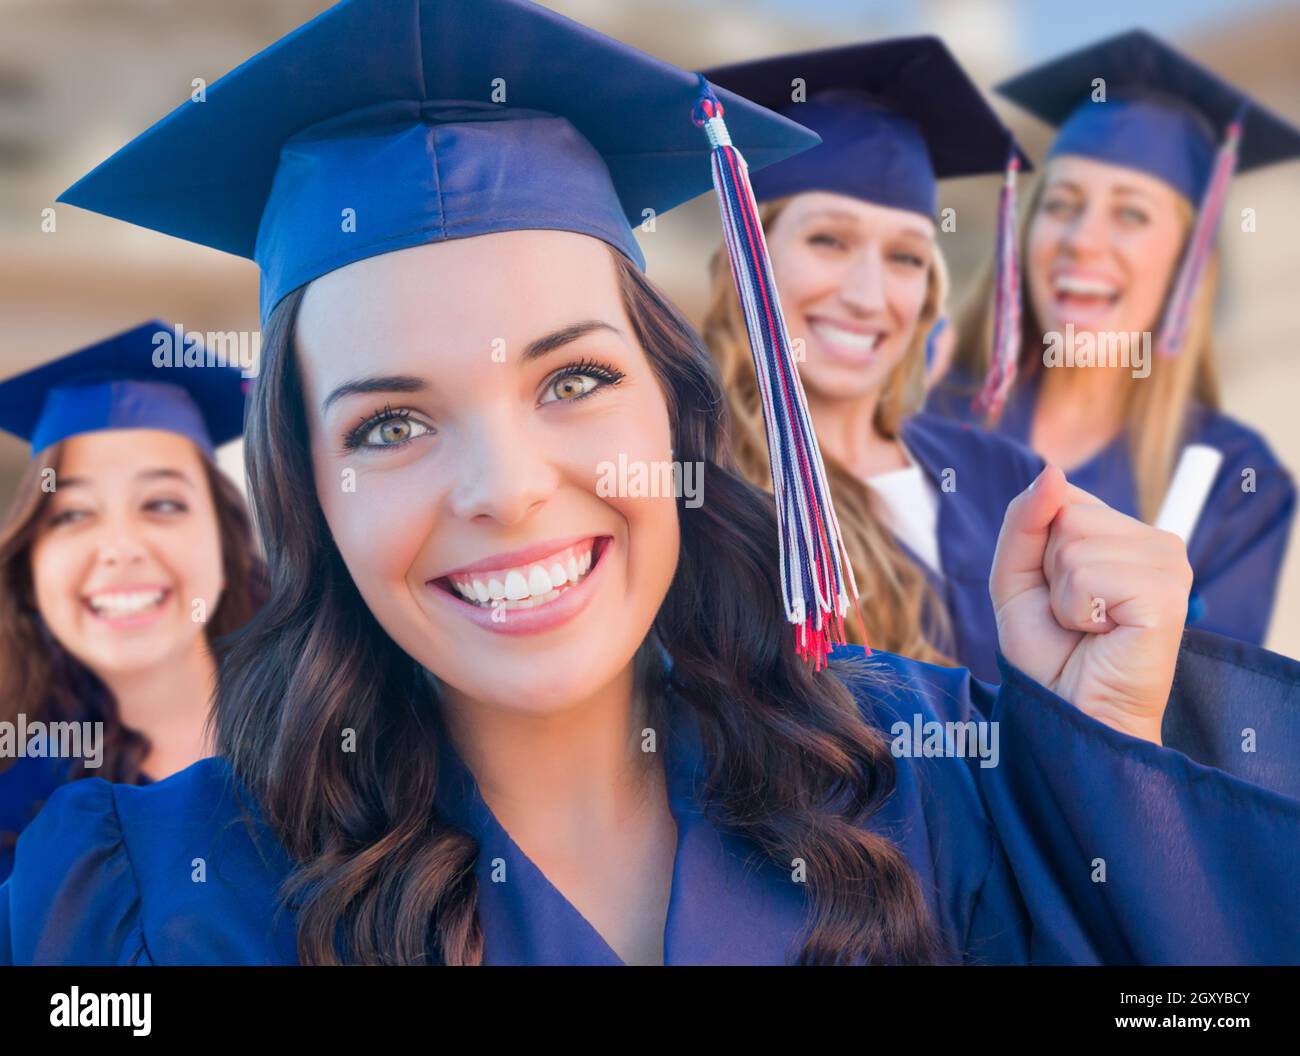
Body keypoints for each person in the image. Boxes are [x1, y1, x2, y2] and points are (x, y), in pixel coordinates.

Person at [3, 0, 1299, 966]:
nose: (508, 489)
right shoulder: (151, 902)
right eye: (391, 423)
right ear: (306, 496)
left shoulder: (926, 777)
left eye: (572, 381)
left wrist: (1107, 771)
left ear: (679, 413)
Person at [927, 30, 1299, 646]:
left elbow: (1200, 730)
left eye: (1130, 213)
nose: (1081, 239)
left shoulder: (1238, 486)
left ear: (1189, 265)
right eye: (1062, 203)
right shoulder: (929, 413)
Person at [700, 38, 1044, 681]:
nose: (867, 296)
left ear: (930, 291)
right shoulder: (694, 491)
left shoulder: (1006, 476)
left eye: (906, 257)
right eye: (829, 240)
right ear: (750, 253)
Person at [0, 321, 265, 882]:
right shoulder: (14, 787)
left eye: (162, 504)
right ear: (30, 564)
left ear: (225, 539)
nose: (119, 549)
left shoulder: (345, 742)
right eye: (72, 514)